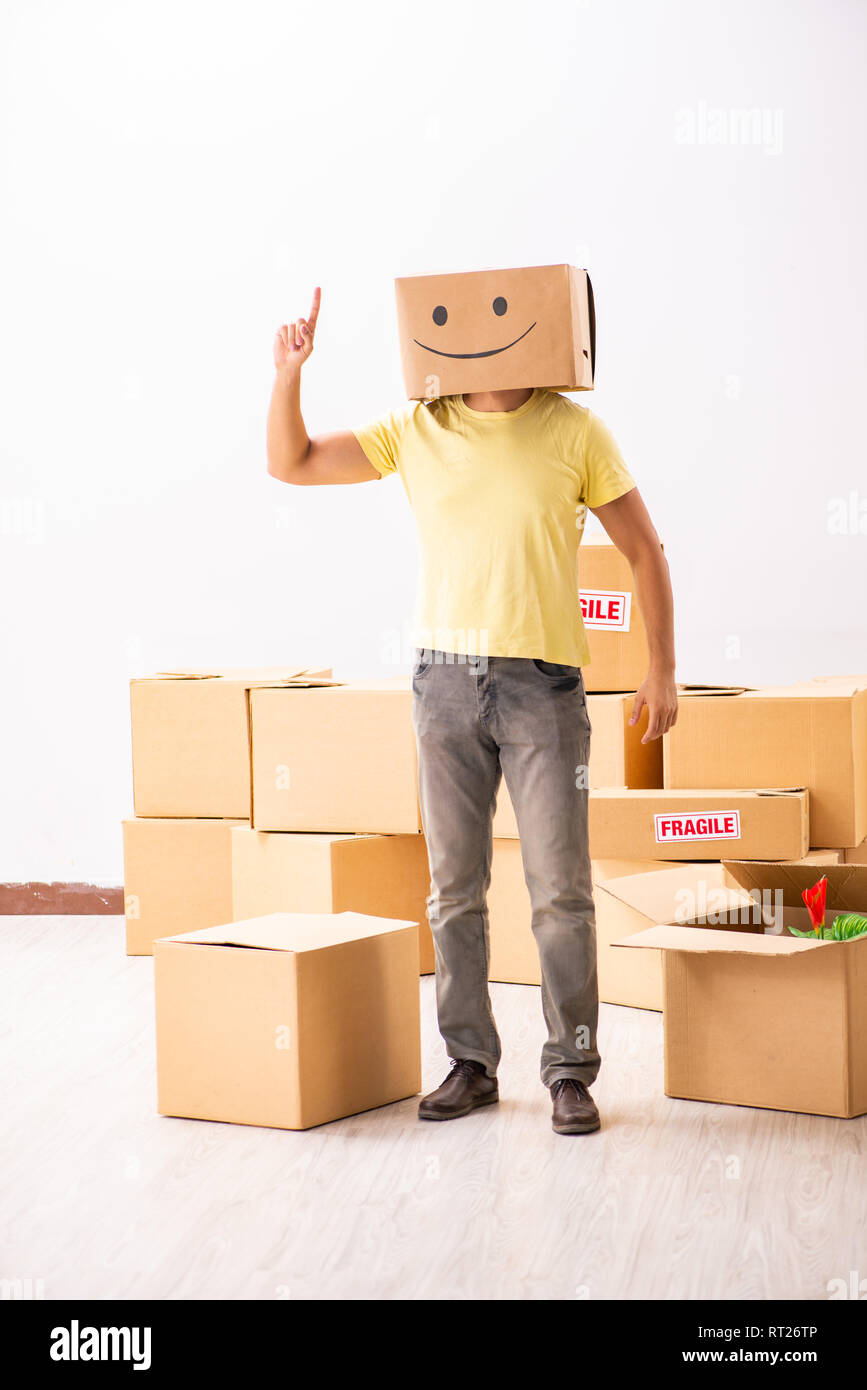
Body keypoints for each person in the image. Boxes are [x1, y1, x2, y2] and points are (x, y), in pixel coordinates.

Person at [266, 286, 678, 1135]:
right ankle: (470, 1064)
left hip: (544, 685)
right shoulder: (418, 426)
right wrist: (289, 374)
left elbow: (644, 548)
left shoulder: (573, 430)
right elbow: (294, 462)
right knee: (454, 889)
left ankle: (570, 1070)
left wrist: (660, 671)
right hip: (443, 683)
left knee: (559, 891)